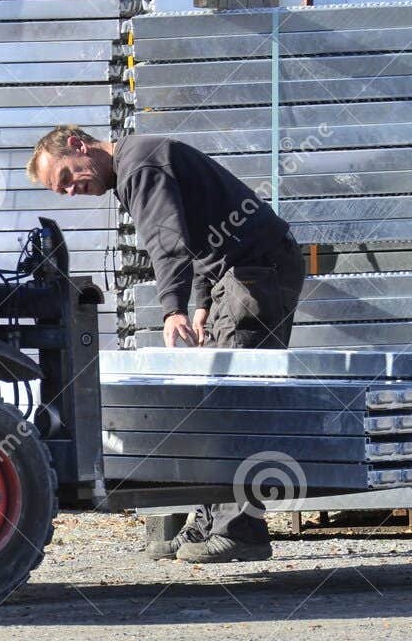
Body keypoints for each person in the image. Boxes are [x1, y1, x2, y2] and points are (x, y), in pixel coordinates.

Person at [26, 125, 305, 564]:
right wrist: (199, 305)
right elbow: (200, 238)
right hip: (238, 275)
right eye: (60, 191)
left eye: (64, 178)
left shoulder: (140, 164)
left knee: (234, 401)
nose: (69, 192)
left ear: (78, 146)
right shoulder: (138, 164)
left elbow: (167, 242)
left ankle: (240, 529)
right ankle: (209, 520)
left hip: (255, 274)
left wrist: (172, 308)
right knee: (213, 398)